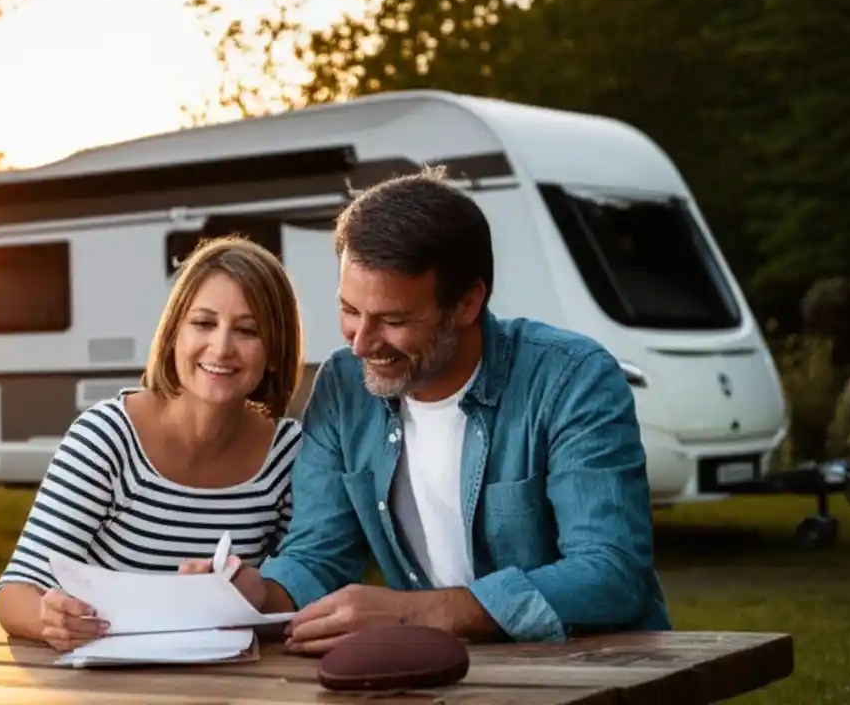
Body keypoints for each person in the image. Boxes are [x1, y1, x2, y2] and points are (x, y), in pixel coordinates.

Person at [182, 167, 671, 650]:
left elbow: (610, 571)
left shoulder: (572, 378)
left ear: (466, 304)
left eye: (393, 319)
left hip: (596, 672)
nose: (362, 344)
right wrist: (258, 595)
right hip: (445, 672)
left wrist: (415, 613)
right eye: (350, 312)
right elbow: (318, 554)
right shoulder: (343, 386)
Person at [0, 235, 305, 651]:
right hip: (104, 682)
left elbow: (299, 595)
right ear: (175, 331)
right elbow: (15, 592)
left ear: (274, 353)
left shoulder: (288, 454)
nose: (222, 347)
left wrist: (256, 593)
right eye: (204, 323)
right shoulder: (107, 437)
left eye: (247, 330)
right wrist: (47, 619)